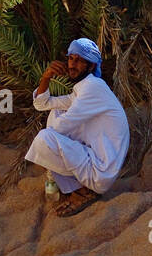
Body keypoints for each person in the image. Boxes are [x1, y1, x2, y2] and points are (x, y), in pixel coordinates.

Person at [24, 38, 130, 217]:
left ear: (90, 66)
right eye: (71, 58)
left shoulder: (93, 88)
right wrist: (46, 77)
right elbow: (42, 104)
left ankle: (82, 190)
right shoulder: (82, 89)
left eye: (79, 60)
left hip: (101, 173)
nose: (72, 64)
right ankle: (70, 183)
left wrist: (52, 157)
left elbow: (59, 129)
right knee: (56, 112)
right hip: (95, 162)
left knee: (44, 138)